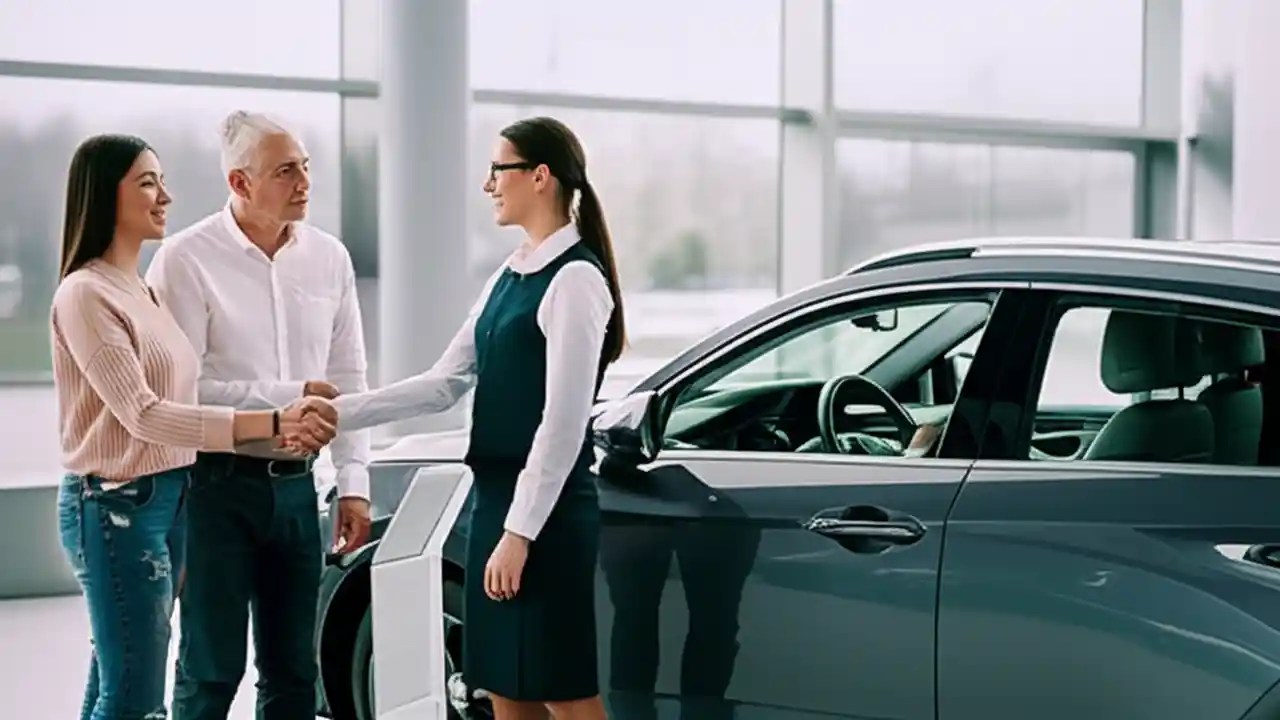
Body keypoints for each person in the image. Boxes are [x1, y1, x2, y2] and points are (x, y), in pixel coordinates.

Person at [327, 116, 624, 719]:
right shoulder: (510, 274)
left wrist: (520, 535)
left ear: (540, 177)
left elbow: (563, 424)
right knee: (503, 688)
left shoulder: (577, 282)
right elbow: (443, 384)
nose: (488, 184)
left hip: (545, 518)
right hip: (495, 505)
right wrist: (336, 413)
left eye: (499, 169)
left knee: (563, 691)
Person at [51, 133, 336, 720]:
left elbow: (180, 391)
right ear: (106, 195)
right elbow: (144, 414)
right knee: (133, 695)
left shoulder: (139, 288)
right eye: (148, 183)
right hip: (116, 506)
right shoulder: (85, 294)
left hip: (169, 499)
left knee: (116, 679)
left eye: (162, 181)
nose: (166, 196)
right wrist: (273, 420)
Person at [145, 110, 373, 720]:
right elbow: (182, 393)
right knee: (211, 672)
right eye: (285, 170)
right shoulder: (184, 259)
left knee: (297, 674)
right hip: (213, 491)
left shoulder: (330, 258)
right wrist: (287, 396)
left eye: (304, 165)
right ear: (240, 184)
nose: (304, 181)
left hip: (300, 493)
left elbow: (349, 381)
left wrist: (353, 485)